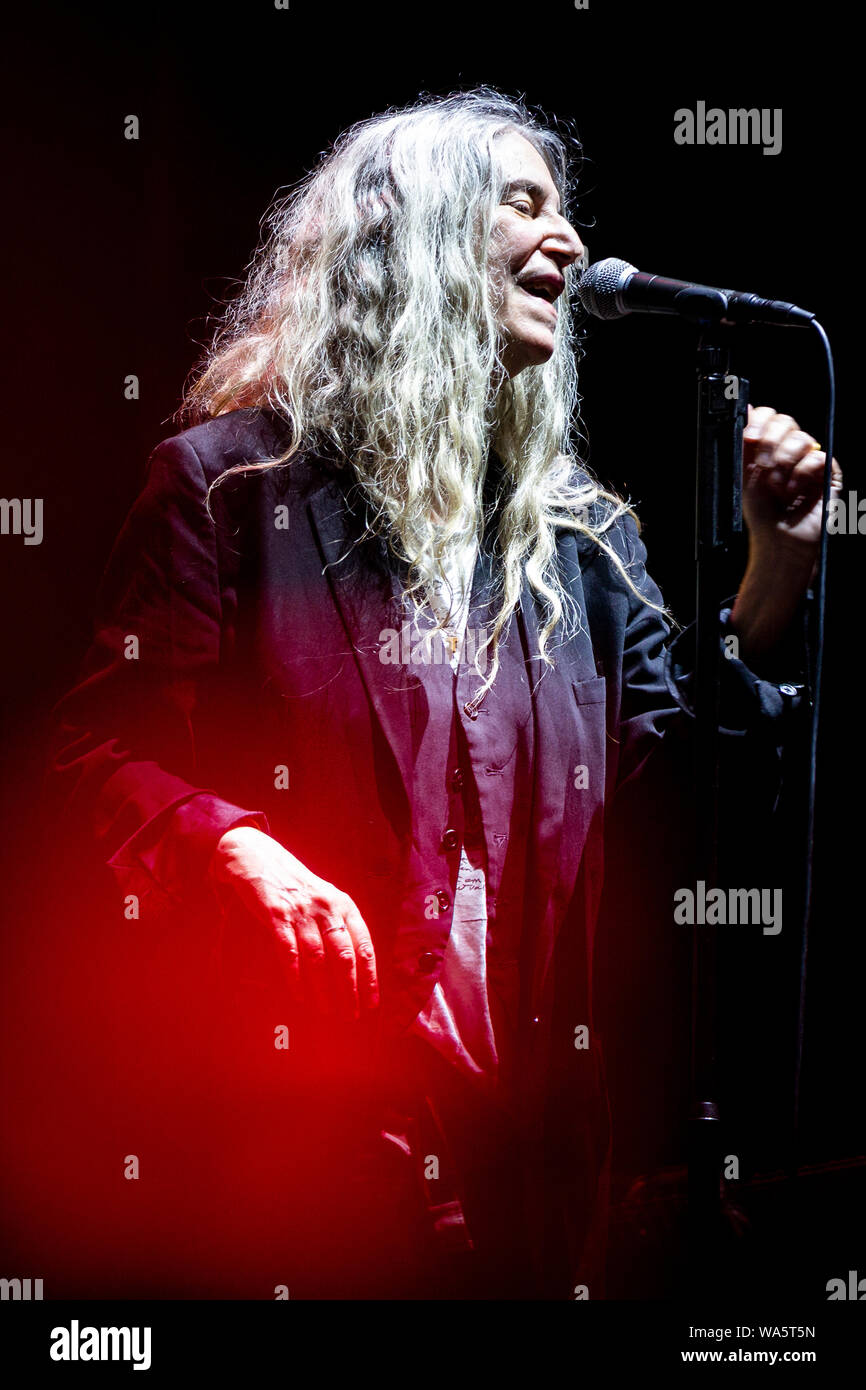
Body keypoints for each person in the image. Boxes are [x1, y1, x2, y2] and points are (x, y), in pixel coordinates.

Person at [47, 88, 840, 1300]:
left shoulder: (575, 539)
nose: (568, 243)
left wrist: (774, 563)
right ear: (408, 239)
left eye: (565, 211)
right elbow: (88, 754)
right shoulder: (226, 489)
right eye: (523, 204)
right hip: (296, 1155)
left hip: (532, 1170)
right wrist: (233, 843)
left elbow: (687, 798)